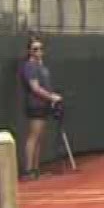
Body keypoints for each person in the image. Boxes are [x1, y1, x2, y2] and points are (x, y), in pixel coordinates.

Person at [17, 38, 62, 180]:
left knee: (40, 137)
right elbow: (35, 88)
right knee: (34, 136)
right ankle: (28, 170)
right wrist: (51, 97)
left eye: (40, 49)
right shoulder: (29, 67)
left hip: (44, 105)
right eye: (35, 49)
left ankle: (36, 169)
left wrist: (51, 98)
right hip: (35, 105)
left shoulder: (42, 67)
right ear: (29, 51)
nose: (38, 52)